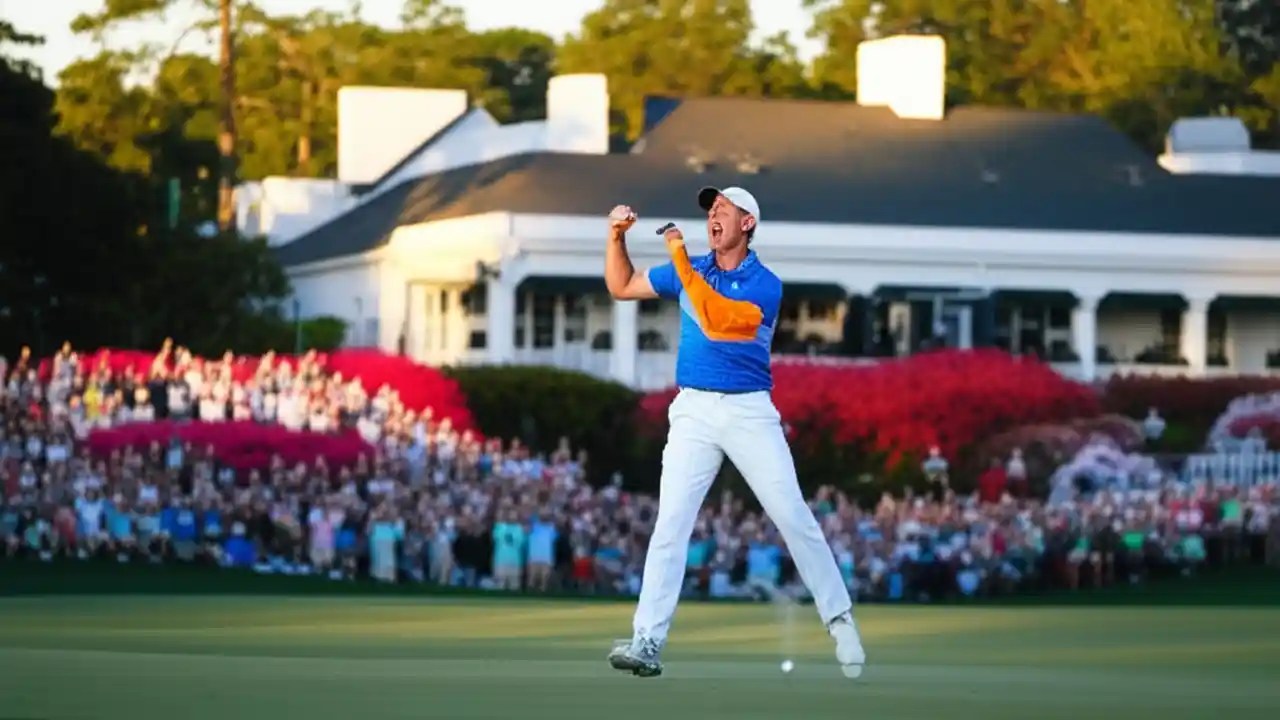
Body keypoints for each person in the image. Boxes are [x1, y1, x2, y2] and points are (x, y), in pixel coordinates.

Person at [602, 186, 866, 679]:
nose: (713, 217)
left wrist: (679, 256)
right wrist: (616, 238)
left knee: (791, 513)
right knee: (671, 525)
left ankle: (839, 618)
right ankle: (647, 640)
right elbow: (622, 286)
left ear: (748, 223)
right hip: (694, 409)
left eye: (724, 210)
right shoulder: (692, 268)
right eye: (710, 211)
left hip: (748, 410)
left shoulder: (764, 284)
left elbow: (715, 318)